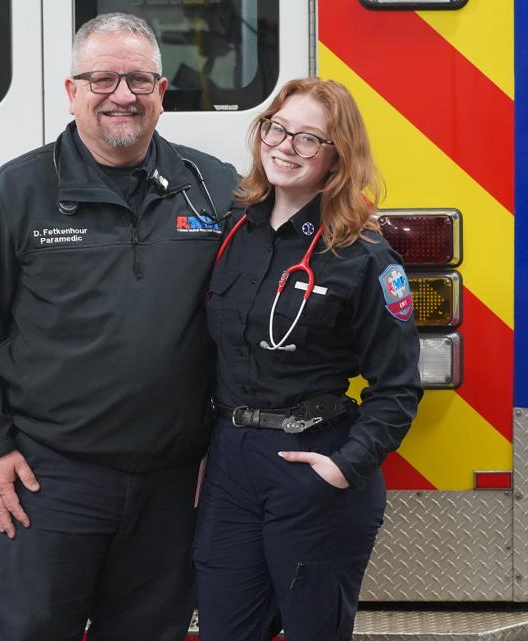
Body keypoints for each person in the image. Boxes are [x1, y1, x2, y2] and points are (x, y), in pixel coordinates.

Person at [0, 12, 238, 641]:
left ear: (162, 93)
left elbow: (249, 318)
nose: (121, 96)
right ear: (71, 92)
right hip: (48, 480)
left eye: (139, 80)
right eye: (102, 80)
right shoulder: (15, 192)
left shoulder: (213, 189)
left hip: (173, 484)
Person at [193, 77, 423, 641]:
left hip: (311, 462)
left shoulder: (363, 255)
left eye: (309, 139)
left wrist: (345, 466)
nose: (286, 146)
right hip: (229, 465)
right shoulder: (229, 233)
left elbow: (397, 386)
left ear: (337, 157)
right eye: (278, 128)